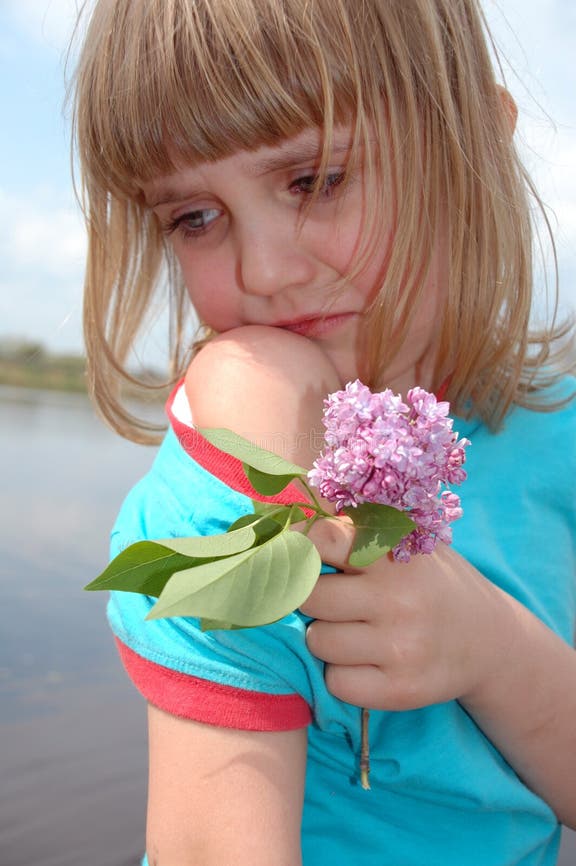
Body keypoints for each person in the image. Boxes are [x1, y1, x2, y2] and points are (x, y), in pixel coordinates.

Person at [72, 0, 576, 863]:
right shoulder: (212, 520)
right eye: (194, 217)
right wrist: (262, 482)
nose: (263, 272)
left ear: (476, 145)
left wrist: (493, 651)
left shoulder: (557, 439)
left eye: (316, 180)